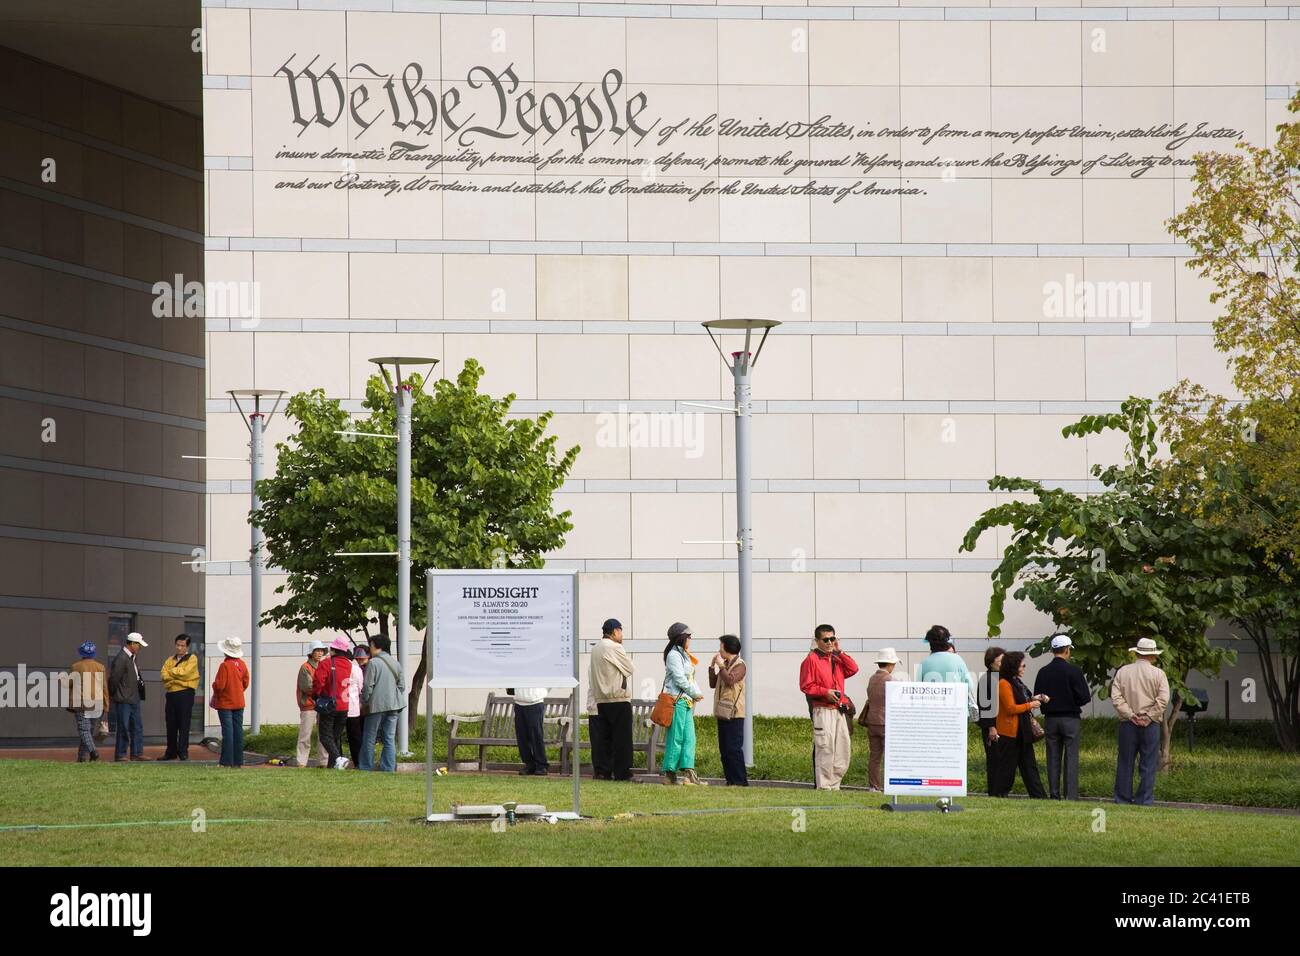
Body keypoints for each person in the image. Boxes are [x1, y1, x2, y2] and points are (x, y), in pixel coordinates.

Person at [799, 624, 859, 791]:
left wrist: (839, 652)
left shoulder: (836, 658)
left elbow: (853, 668)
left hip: (838, 709)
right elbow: (806, 685)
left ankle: (835, 784)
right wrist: (825, 692)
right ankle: (824, 785)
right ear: (817, 641)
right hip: (823, 709)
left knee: (842, 747)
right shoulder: (811, 660)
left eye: (832, 639)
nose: (829, 642)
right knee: (825, 748)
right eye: (825, 640)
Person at [1111, 637, 1170, 806]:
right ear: (1153, 656)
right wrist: (1150, 716)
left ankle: (1122, 798)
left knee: (1125, 762)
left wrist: (1130, 715)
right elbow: (1163, 700)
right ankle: (1144, 799)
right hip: (1150, 725)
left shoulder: (1123, 671)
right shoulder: (1159, 674)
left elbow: (1116, 698)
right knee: (1148, 763)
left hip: (1128, 723)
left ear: (1136, 653)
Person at [1033, 633, 1092, 800]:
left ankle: (1054, 793)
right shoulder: (1074, 671)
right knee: (1071, 756)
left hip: (1051, 719)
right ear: (1067, 650)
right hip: (1070, 719)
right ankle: (1070, 795)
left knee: (1052, 756)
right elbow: (1084, 698)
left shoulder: (1043, 672)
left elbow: (1038, 696)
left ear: (1052, 650)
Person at [989, 651, 1047, 798]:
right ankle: (999, 795)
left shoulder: (1016, 681)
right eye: (1022, 665)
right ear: (1013, 666)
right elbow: (1010, 708)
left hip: (1022, 732)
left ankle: (1039, 796)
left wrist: (1036, 698)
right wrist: (1030, 705)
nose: (1024, 668)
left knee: (1030, 767)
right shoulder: (1004, 683)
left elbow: (1022, 699)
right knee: (1007, 769)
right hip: (1010, 733)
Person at [660, 623, 706, 786]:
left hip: (686, 701)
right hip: (677, 701)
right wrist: (695, 693)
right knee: (676, 737)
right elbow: (680, 679)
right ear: (681, 638)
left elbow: (690, 678)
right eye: (688, 636)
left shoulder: (684, 654)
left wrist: (696, 693)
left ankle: (689, 773)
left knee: (689, 738)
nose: (690, 639)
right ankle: (669, 773)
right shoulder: (674, 655)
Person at [589, 618, 634, 781]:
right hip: (618, 698)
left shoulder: (596, 649)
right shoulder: (615, 647)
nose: (621, 635)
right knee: (622, 739)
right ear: (615, 631)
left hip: (601, 699)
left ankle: (605, 772)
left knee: (606, 738)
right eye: (620, 631)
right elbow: (630, 668)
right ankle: (622, 773)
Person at [359, 634, 405, 772]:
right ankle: (388, 767)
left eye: (371, 645)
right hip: (394, 706)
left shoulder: (373, 663)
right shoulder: (395, 663)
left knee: (369, 736)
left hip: (376, 706)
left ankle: (366, 766)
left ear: (375, 646)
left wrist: (364, 700)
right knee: (389, 738)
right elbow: (402, 686)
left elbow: (368, 686)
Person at [708, 634, 747, 786]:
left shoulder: (740, 665)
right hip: (723, 712)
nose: (719, 649)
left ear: (728, 647)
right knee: (724, 749)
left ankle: (739, 781)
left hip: (735, 714)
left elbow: (730, 680)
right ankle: (730, 780)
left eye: (721, 646)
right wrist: (712, 667)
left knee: (733, 748)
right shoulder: (725, 664)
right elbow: (714, 683)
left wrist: (721, 666)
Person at [312, 636, 355, 770]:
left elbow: (319, 682)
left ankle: (338, 759)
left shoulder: (326, 663)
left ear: (334, 649)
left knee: (325, 736)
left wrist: (317, 695)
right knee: (335, 737)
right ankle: (333, 765)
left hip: (330, 704)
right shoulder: (349, 664)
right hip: (344, 706)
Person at [917, 624, 977, 717]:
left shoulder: (923, 664)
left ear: (929, 643)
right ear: (947, 641)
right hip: (956, 712)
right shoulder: (957, 659)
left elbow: (919, 691)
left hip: (932, 714)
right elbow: (969, 685)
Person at [108, 632, 149, 762]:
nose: (140, 648)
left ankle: (137, 752)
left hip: (133, 698)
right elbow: (114, 679)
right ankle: (121, 754)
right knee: (124, 727)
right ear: (132, 644)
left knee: (137, 726)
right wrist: (114, 694)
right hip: (124, 699)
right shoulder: (122, 658)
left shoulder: (131, 657)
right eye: (139, 645)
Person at [864, 647, 900, 792]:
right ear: (891, 664)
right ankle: (891, 785)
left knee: (875, 756)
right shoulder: (891, 680)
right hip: (886, 722)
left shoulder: (872, 678)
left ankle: (874, 786)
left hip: (872, 721)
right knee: (890, 756)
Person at [211, 637, 249, 768]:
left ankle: (226, 761)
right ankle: (238, 761)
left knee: (228, 733)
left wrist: (214, 686)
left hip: (226, 703)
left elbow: (219, 685)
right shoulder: (242, 664)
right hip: (239, 701)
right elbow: (245, 682)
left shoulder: (225, 665)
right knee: (238, 732)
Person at [65, 641, 107, 763]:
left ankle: (94, 752)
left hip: (82, 702)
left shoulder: (76, 666)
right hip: (97, 703)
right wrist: (106, 706)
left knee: (84, 730)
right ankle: (82, 758)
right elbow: (104, 687)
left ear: (81, 653)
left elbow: (69, 683)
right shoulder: (101, 667)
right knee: (88, 731)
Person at [159, 634, 199, 761]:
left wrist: (172, 673)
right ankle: (171, 751)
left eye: (182, 645)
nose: (179, 648)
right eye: (177, 645)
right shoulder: (170, 659)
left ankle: (183, 751)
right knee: (171, 724)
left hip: (185, 694)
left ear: (187, 647)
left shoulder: (192, 658)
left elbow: (186, 673)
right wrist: (177, 676)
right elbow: (163, 675)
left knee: (184, 723)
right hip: (171, 694)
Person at [296, 640, 329, 767]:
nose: (320, 653)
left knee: (323, 734)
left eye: (321, 651)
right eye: (317, 650)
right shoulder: (305, 667)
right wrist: (322, 690)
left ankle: (323, 761)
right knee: (305, 734)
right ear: (311, 652)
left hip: (321, 704)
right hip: (309, 704)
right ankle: (301, 761)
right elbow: (307, 687)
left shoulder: (323, 665)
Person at [976, 646, 1005, 795]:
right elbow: (985, 706)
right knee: (994, 760)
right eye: (1000, 660)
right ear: (991, 663)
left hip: (1003, 725)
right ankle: (994, 791)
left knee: (1002, 760)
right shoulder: (987, 680)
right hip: (992, 727)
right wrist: (991, 727)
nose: (1003, 663)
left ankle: (1000, 790)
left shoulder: (1003, 677)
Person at [510, 686, 550, 776]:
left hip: (535, 703)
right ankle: (529, 764)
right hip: (519, 703)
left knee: (536, 736)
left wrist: (541, 692)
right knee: (522, 736)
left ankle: (541, 765)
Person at [345, 644, 368, 767]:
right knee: (357, 735)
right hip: (357, 705)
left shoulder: (368, 668)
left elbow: (362, 688)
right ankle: (359, 761)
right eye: (357, 658)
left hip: (361, 705)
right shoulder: (357, 669)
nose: (359, 660)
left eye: (362, 658)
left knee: (360, 735)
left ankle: (360, 761)